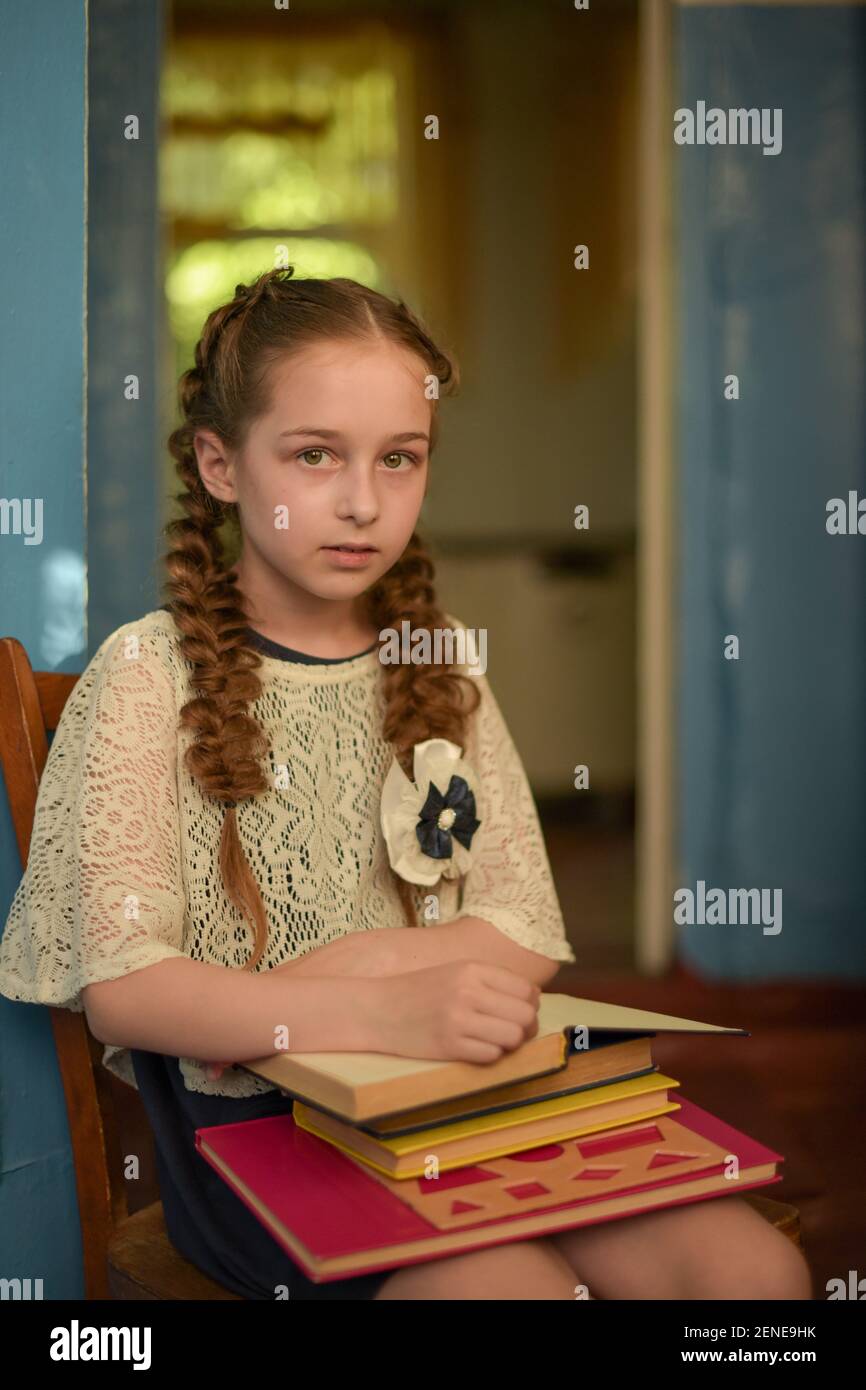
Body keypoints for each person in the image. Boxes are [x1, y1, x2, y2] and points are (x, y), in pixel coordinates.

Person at [0, 268, 811, 1301]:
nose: (361, 501)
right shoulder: (146, 673)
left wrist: (365, 965)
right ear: (219, 464)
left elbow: (525, 926)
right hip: (258, 1142)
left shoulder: (440, 665)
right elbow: (122, 988)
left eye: (399, 458)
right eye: (312, 455)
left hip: (458, 1101)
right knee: (507, 1285)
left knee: (750, 1270)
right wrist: (378, 1011)